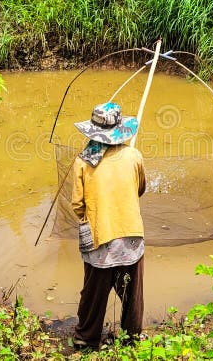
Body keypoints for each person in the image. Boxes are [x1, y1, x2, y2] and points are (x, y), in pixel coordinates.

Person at [71, 102, 146, 349]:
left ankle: (86, 339)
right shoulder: (134, 156)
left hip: (98, 236)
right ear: (119, 130)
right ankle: (131, 339)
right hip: (130, 236)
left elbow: (77, 205)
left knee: (94, 293)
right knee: (131, 295)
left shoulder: (83, 161)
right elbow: (140, 189)